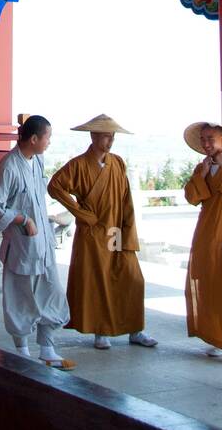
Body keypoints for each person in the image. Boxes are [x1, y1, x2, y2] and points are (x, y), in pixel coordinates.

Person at [47, 114, 156, 350]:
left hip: (116, 231)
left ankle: (135, 329)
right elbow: (55, 186)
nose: (110, 141)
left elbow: (126, 198)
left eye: (113, 136)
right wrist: (81, 213)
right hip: (93, 233)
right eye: (107, 136)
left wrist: (128, 230)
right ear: (94, 136)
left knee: (132, 278)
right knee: (98, 280)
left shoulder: (117, 163)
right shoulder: (78, 165)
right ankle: (101, 330)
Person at [0, 115, 72, 368]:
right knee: (20, 297)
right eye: (47, 137)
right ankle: (22, 350)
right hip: (22, 246)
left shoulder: (37, 161)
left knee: (52, 292)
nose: (49, 142)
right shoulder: (10, 166)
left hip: (43, 243)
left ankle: (47, 348)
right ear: (33, 138)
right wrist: (23, 219)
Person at [183, 121, 222, 366]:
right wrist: (203, 175)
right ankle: (217, 338)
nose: (207, 144)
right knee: (208, 284)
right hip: (207, 231)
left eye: (211, 139)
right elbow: (191, 196)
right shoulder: (203, 166)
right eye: (204, 139)